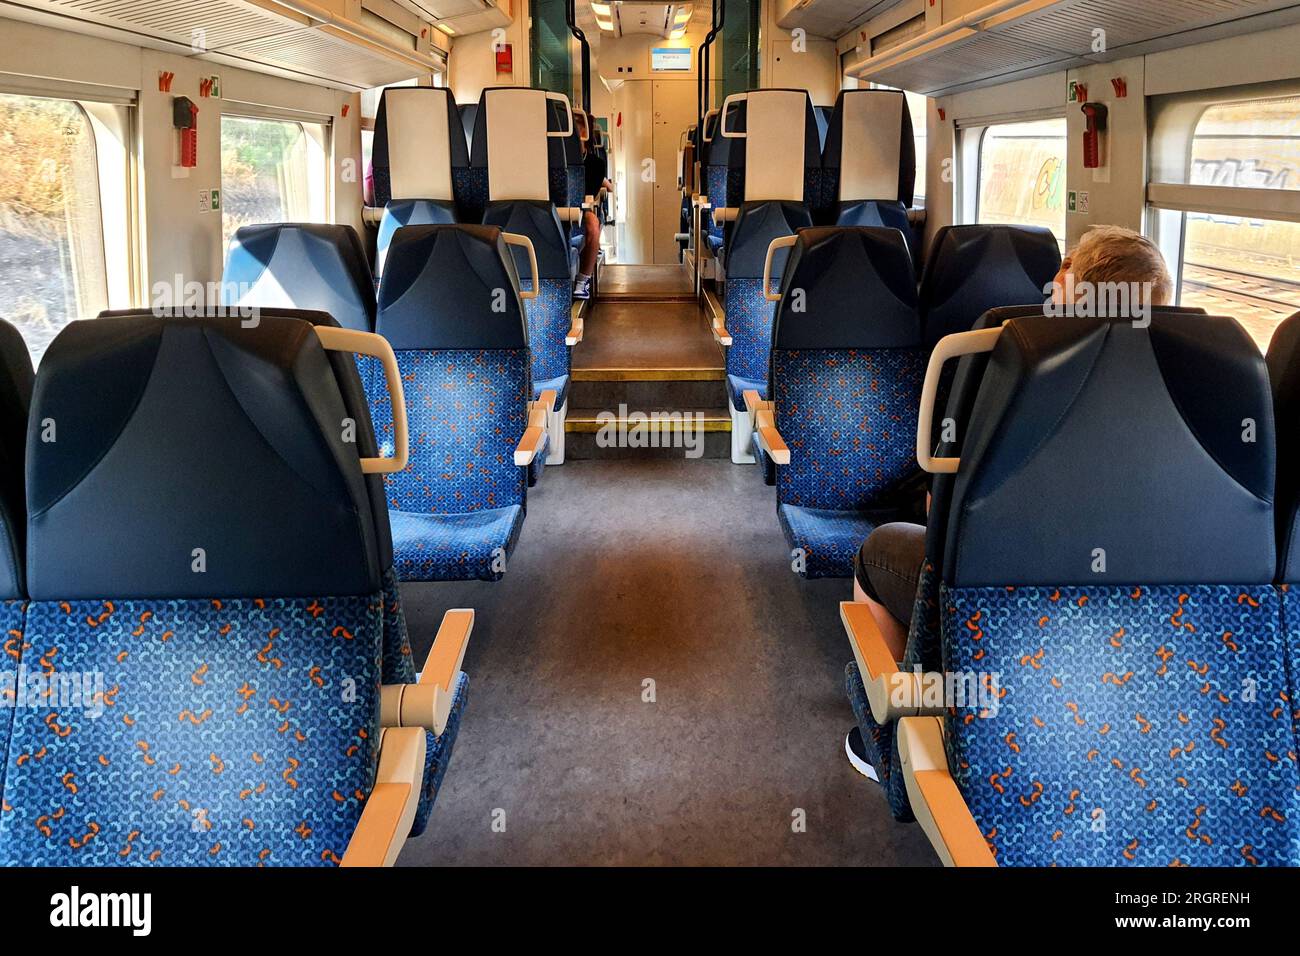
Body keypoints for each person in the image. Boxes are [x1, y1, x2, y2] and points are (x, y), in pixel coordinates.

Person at [845, 224, 1175, 779]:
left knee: (877, 554)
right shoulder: (1178, 393)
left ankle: (895, 731)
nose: (1055, 272)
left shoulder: (1006, 361)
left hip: (996, 591)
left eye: (1068, 265)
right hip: (1132, 615)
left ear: (1077, 290)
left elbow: (947, 516)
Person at [574, 112, 612, 301]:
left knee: (592, 221)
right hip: (550, 208)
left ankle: (583, 280)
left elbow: (585, 194)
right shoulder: (546, 158)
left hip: (578, 209)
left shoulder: (595, 164)